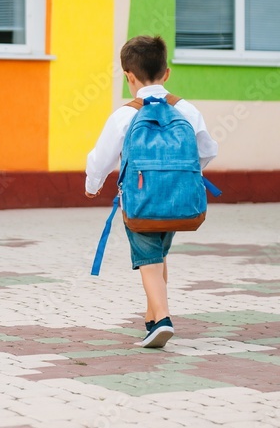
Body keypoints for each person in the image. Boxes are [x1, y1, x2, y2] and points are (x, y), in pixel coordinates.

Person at [85, 35, 218, 347]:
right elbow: (208, 150)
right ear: (167, 73)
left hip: (141, 201)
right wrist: (183, 174)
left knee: (147, 258)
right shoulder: (186, 110)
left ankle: (162, 319)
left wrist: (92, 186)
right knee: (158, 256)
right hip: (178, 201)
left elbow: (100, 158)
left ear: (128, 76)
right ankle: (150, 317)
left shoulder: (124, 115)